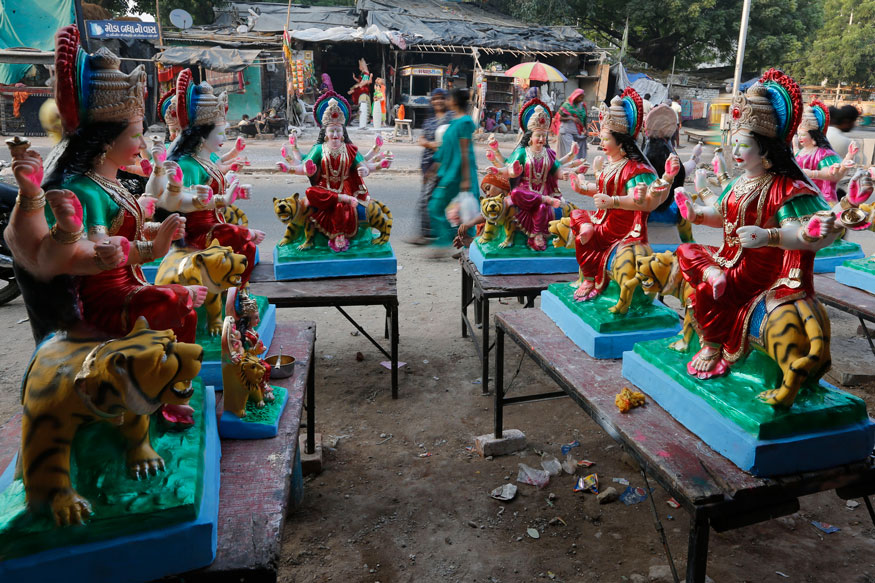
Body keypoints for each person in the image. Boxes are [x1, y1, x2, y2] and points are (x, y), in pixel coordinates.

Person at [673, 70, 839, 400]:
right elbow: (720, 216)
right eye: (733, 143)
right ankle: (714, 273)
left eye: (744, 146)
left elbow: (805, 233)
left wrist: (769, 236)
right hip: (727, 257)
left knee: (707, 293)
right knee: (687, 251)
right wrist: (695, 213)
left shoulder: (787, 188)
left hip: (761, 271)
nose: (735, 152)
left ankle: (712, 345)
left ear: (764, 151)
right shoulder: (738, 184)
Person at [33, 26, 203, 343]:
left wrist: (158, 230)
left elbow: (126, 230)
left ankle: (169, 383)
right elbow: (101, 247)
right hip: (104, 299)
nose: (141, 144)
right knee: (177, 302)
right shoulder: (85, 190)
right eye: (135, 135)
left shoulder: (110, 182)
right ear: (107, 142)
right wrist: (153, 248)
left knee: (182, 306)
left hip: (130, 284)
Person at [568, 88, 677, 301]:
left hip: (622, 226)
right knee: (576, 215)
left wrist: (613, 202)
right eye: (601, 138)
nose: (601, 144)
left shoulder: (636, 170)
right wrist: (582, 187)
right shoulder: (612, 164)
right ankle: (588, 250)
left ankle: (590, 278)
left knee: (587, 238)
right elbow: (603, 190)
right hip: (603, 217)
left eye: (606, 140)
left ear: (621, 143)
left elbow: (644, 203)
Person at [167, 70, 265, 288]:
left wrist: (235, 191)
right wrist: (227, 203)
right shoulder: (187, 165)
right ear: (202, 137)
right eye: (220, 134)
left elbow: (217, 191)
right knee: (237, 235)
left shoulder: (207, 160)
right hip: (200, 233)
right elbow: (183, 201)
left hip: (216, 224)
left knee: (247, 249)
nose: (224, 139)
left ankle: (237, 295)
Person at [488, 99, 576, 251]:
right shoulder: (522, 152)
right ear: (530, 138)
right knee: (515, 193)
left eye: (544, 136)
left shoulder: (548, 153)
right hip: (525, 193)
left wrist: (563, 175)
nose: (541, 139)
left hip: (544, 192)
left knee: (542, 207)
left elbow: (556, 170)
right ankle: (544, 201)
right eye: (538, 136)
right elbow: (509, 169)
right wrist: (499, 170)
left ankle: (537, 234)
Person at [428, 88, 477, 250]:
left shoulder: (464, 122)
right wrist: (434, 167)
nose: (445, 101)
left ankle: (453, 242)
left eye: (448, 98)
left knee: (440, 206)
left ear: (454, 101)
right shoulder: (454, 121)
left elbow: (464, 151)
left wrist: (466, 179)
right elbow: (445, 149)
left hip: (459, 174)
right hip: (449, 172)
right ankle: (457, 240)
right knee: (450, 209)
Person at [408, 88, 453, 244]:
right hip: (428, 164)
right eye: (434, 99)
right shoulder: (429, 120)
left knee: (432, 199)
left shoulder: (451, 118)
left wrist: (436, 146)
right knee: (428, 199)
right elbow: (421, 138)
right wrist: (429, 143)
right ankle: (428, 233)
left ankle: (432, 235)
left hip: (443, 165)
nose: (438, 101)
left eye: (441, 98)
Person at [794, 99, 856, 203]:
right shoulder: (802, 151)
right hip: (800, 193)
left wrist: (812, 173)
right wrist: (794, 145)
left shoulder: (822, 154)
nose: (800, 137)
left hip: (819, 196)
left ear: (813, 137)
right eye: (799, 134)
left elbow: (831, 174)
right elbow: (797, 157)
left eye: (803, 135)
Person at [553, 88, 587, 160]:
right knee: (571, 151)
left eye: (583, 97)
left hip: (576, 131)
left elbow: (584, 118)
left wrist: (585, 129)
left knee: (579, 148)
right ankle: (572, 166)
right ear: (576, 97)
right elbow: (560, 118)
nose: (582, 99)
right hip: (566, 131)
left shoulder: (582, 105)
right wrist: (571, 118)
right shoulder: (567, 105)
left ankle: (576, 165)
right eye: (580, 97)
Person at [348, 59, 372, 129]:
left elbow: (365, 81)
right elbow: (361, 81)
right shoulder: (362, 73)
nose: (359, 68)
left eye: (360, 66)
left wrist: (358, 85)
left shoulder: (366, 73)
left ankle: (365, 118)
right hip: (361, 89)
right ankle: (360, 117)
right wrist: (355, 78)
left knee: (363, 104)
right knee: (360, 104)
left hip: (364, 90)